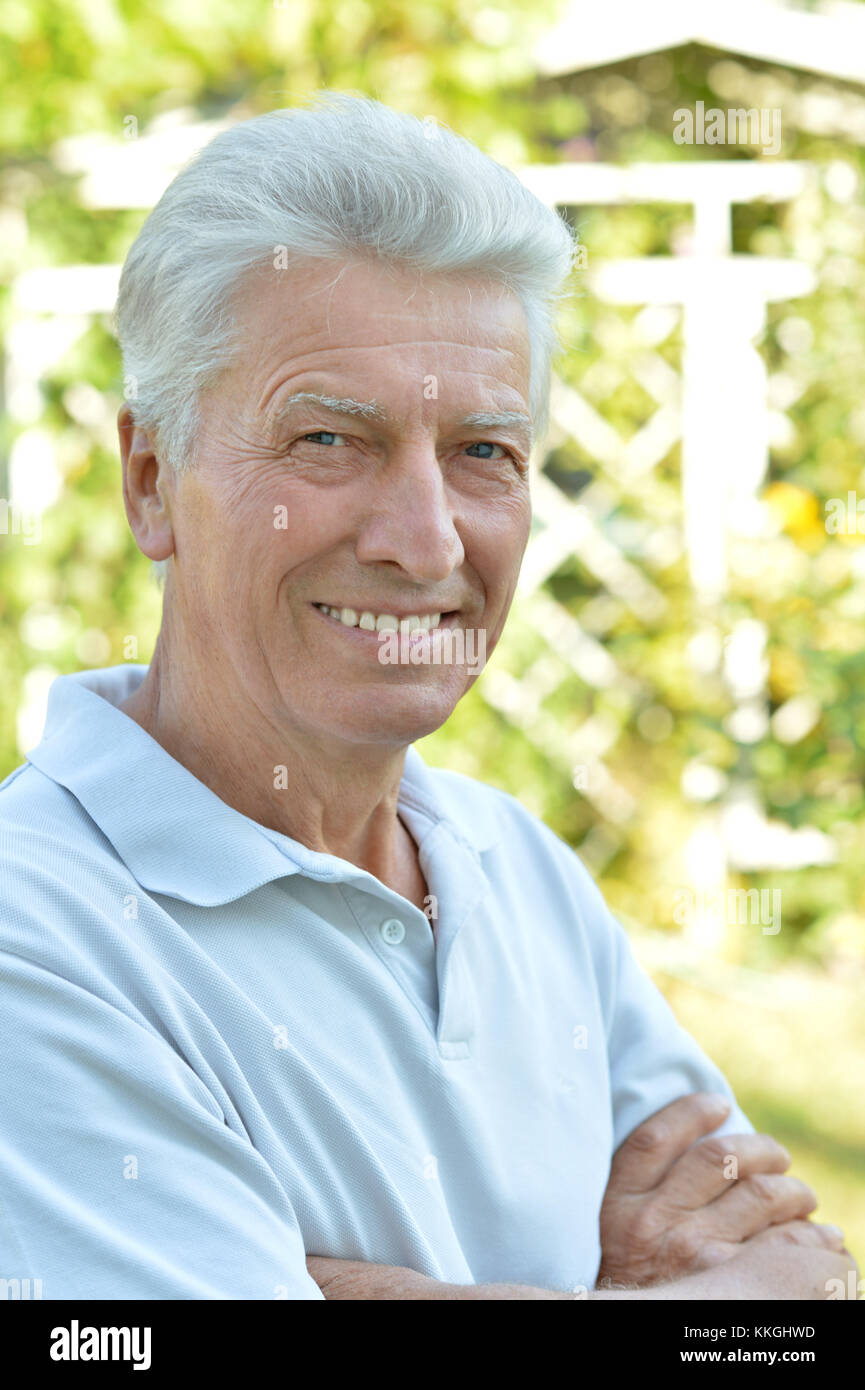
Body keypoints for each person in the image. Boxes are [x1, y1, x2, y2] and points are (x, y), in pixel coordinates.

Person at [0, 93, 854, 1301]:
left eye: (483, 452)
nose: (425, 539)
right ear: (151, 482)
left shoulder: (516, 869)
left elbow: (805, 1283)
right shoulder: (35, 935)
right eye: (329, 441)